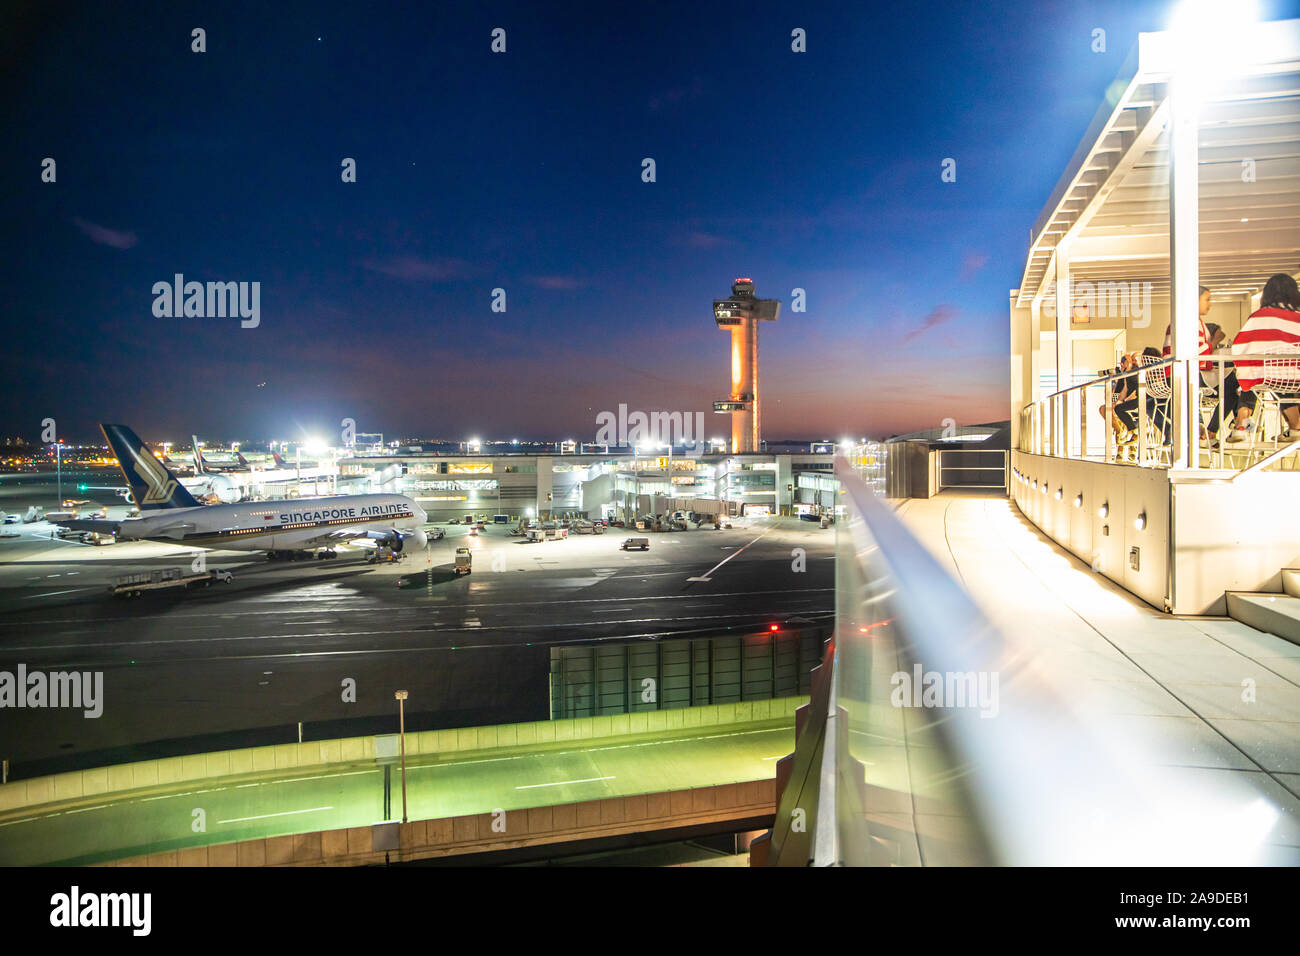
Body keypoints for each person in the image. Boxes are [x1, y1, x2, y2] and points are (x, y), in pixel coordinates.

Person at [1227, 273, 1300, 442]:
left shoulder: (1260, 316)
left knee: (1253, 375)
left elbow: (1240, 348)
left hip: (1268, 378)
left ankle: (1241, 425)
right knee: (1282, 375)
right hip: (1295, 377)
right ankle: (1295, 427)